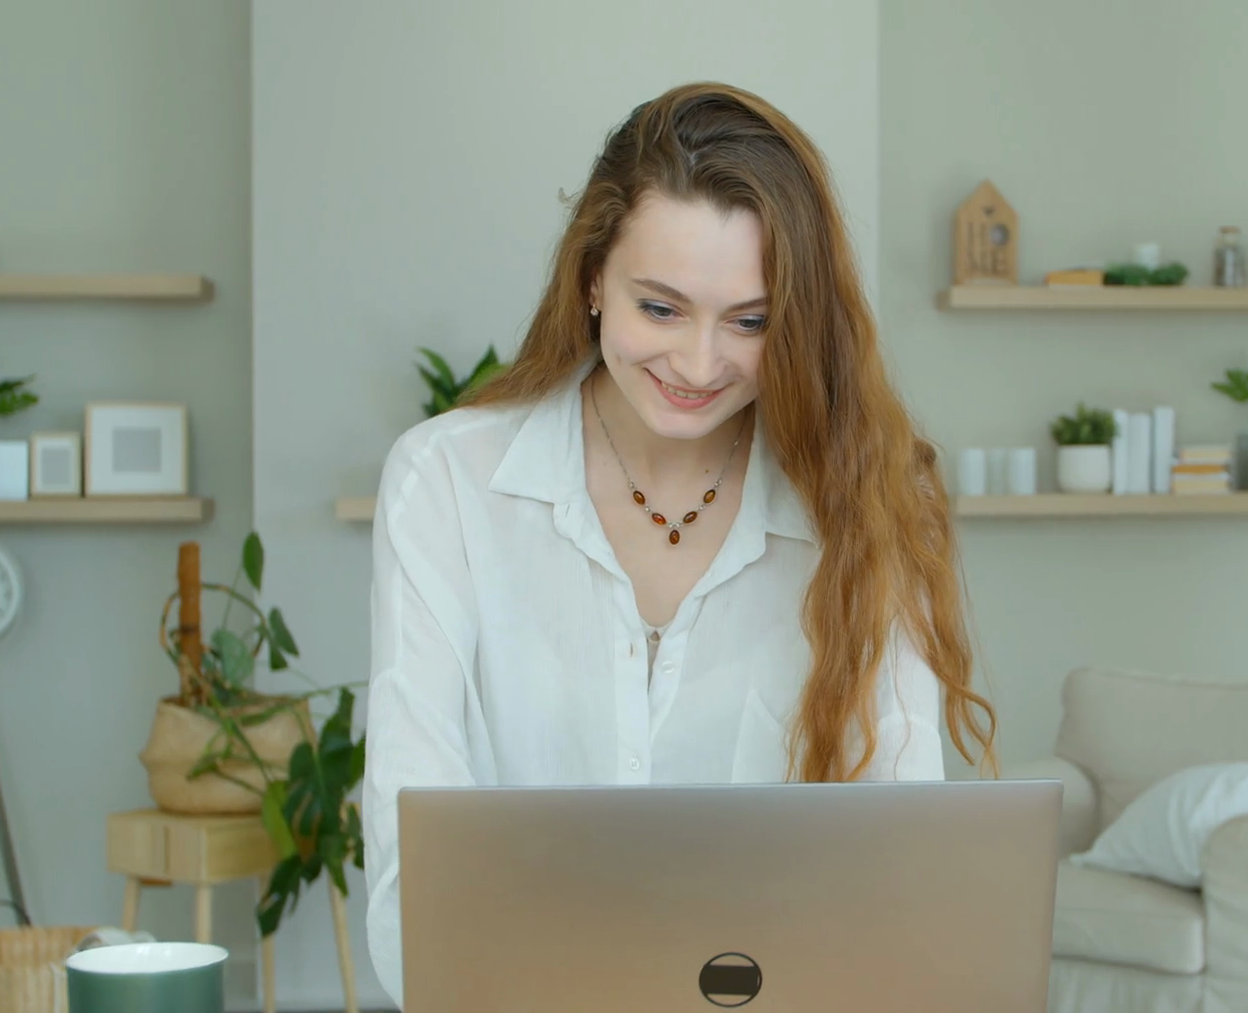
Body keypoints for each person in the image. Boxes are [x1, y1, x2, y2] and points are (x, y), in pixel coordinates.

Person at [362, 82, 996, 1004]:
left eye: (750, 321)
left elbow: (899, 863)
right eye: (660, 309)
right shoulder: (445, 484)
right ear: (591, 278)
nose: (700, 367)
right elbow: (409, 856)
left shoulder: (868, 508)